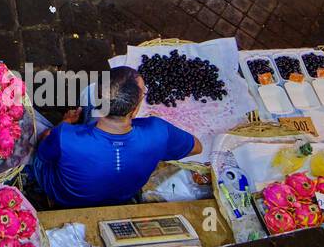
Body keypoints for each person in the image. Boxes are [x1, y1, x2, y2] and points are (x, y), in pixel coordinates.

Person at [30, 66, 202, 209]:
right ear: (135, 110)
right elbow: (197, 147)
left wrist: (65, 122)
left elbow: (43, 153)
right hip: (120, 198)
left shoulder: (65, 136)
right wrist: (157, 148)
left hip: (65, 198)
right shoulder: (158, 132)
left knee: (38, 136)